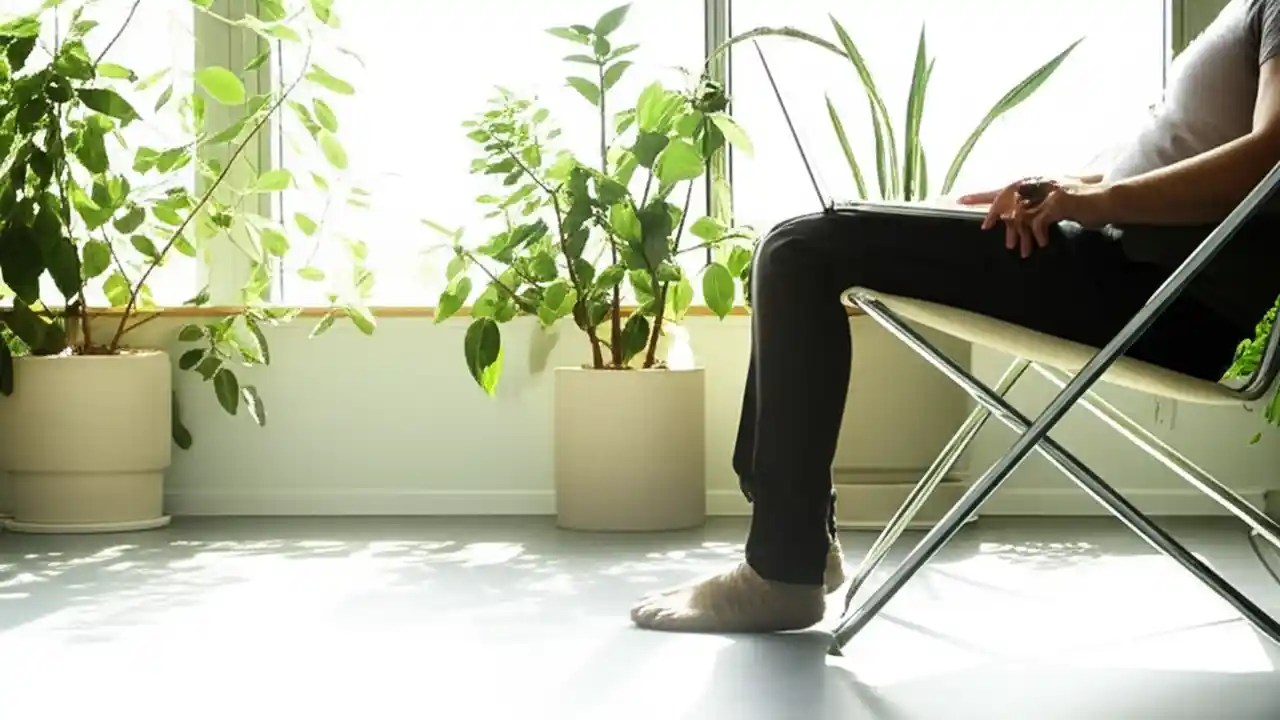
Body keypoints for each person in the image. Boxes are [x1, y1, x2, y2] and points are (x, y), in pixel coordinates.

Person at [631, 0, 1280, 634]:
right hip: (1122, 263)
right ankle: (791, 547)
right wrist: (1061, 188)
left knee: (798, 251)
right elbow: (1179, 148)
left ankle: (783, 565)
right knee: (797, 245)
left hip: (1153, 292)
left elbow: (1271, 158)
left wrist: (1096, 201)